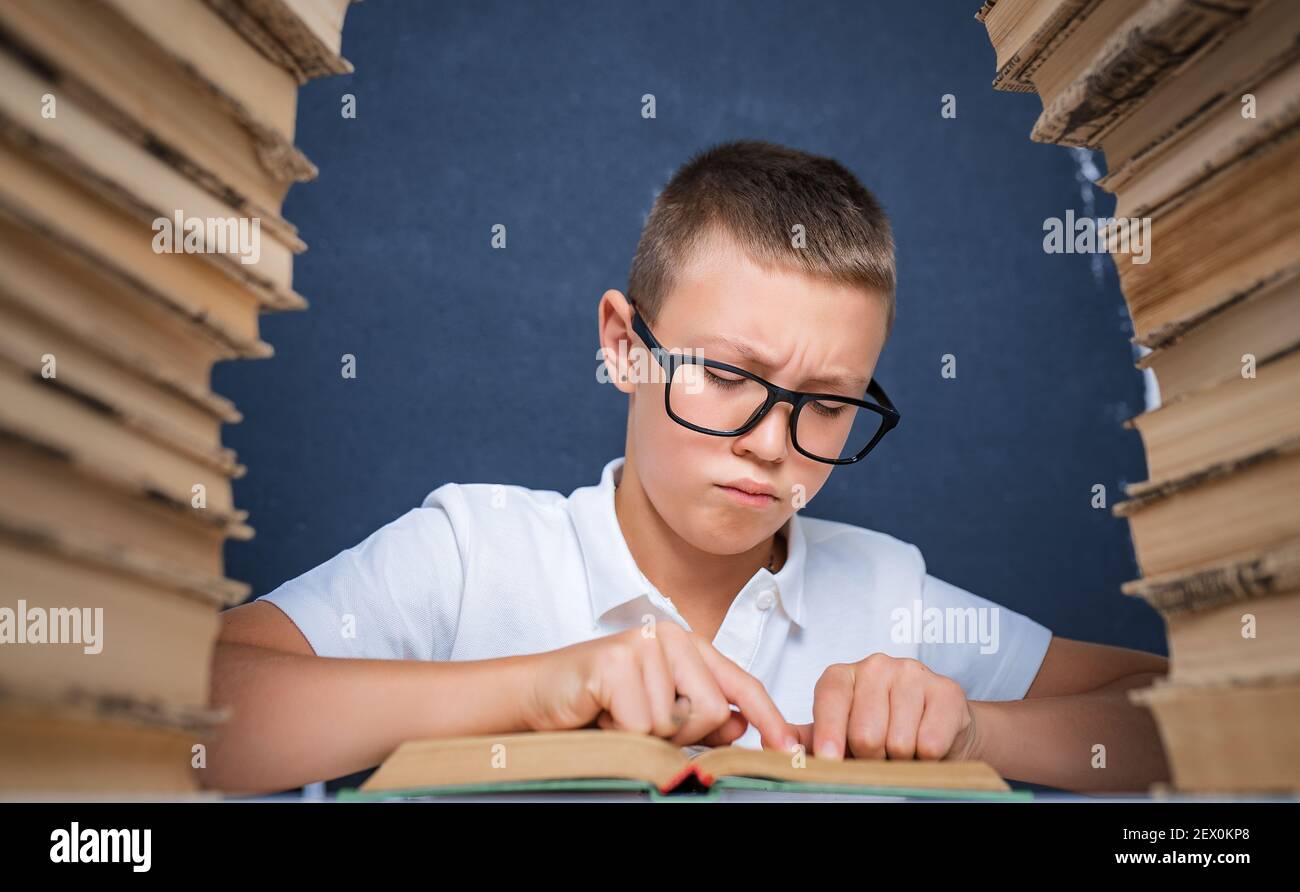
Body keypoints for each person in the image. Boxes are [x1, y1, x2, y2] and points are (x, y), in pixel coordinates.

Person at [206, 140, 1169, 794]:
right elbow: (192, 707)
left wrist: (977, 733)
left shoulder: (889, 595)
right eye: (722, 375)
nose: (771, 442)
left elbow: (1181, 713)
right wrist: (536, 689)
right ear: (625, 346)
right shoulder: (474, 554)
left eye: (829, 403)